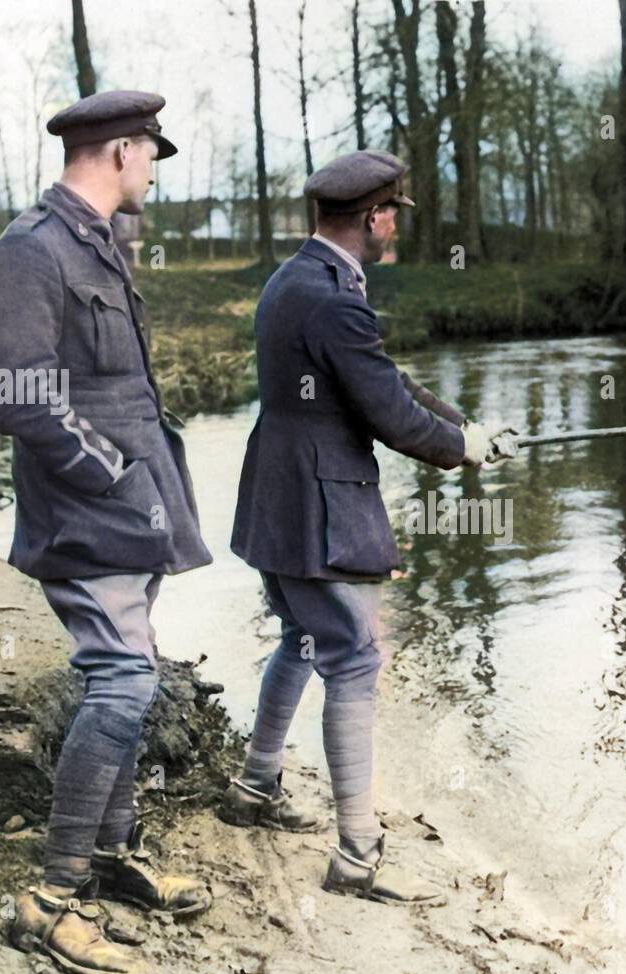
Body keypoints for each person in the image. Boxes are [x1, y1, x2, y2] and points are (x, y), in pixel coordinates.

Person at [220, 149, 517, 907]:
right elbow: (386, 412)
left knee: (301, 635)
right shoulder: (335, 299)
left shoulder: (296, 279)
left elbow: (385, 381)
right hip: (320, 503)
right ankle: (356, 854)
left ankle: (255, 786)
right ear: (374, 217)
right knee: (352, 657)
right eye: (393, 216)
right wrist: (460, 451)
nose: (395, 229)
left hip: (274, 498)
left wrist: (467, 428)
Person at [0, 90, 213, 974]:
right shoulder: (32, 250)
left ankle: (112, 854)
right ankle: (54, 894)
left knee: (131, 668)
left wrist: (145, 482)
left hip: (135, 501)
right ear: (120, 150)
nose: (153, 166)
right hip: (90, 509)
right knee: (123, 680)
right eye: (150, 150)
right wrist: (114, 479)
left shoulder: (97, 242)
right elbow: (22, 398)